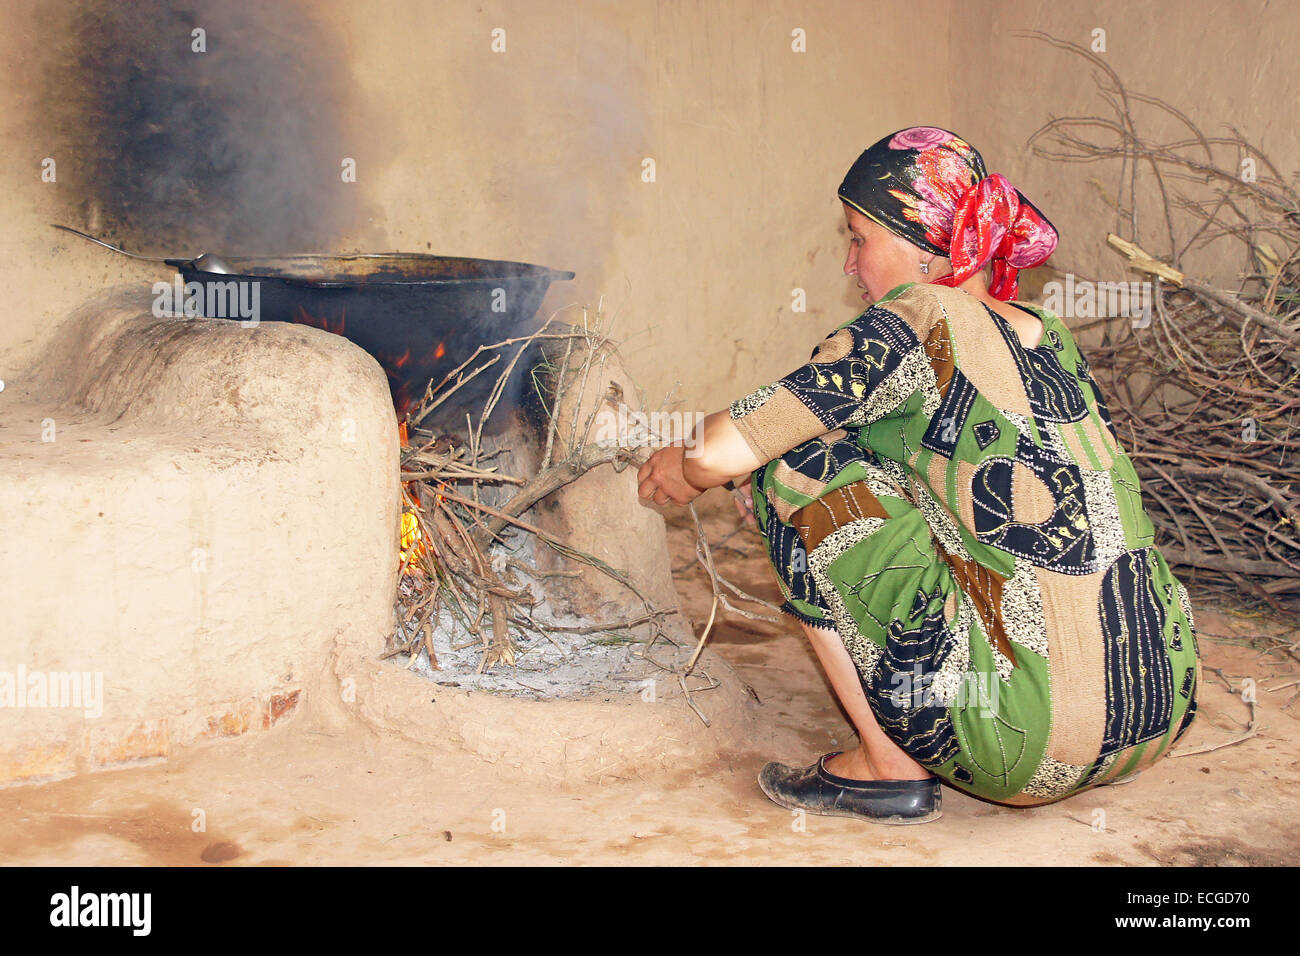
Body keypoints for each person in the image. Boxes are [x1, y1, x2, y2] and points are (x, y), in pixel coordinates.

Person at [636, 126, 1201, 824]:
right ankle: (1056, 716)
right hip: (1154, 709)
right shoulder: (1045, 334)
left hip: (1022, 743)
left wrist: (684, 467)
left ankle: (885, 768)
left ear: (920, 245)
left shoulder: (914, 319)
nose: (849, 264)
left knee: (794, 465)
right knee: (874, 464)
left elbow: (725, 451)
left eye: (858, 238)